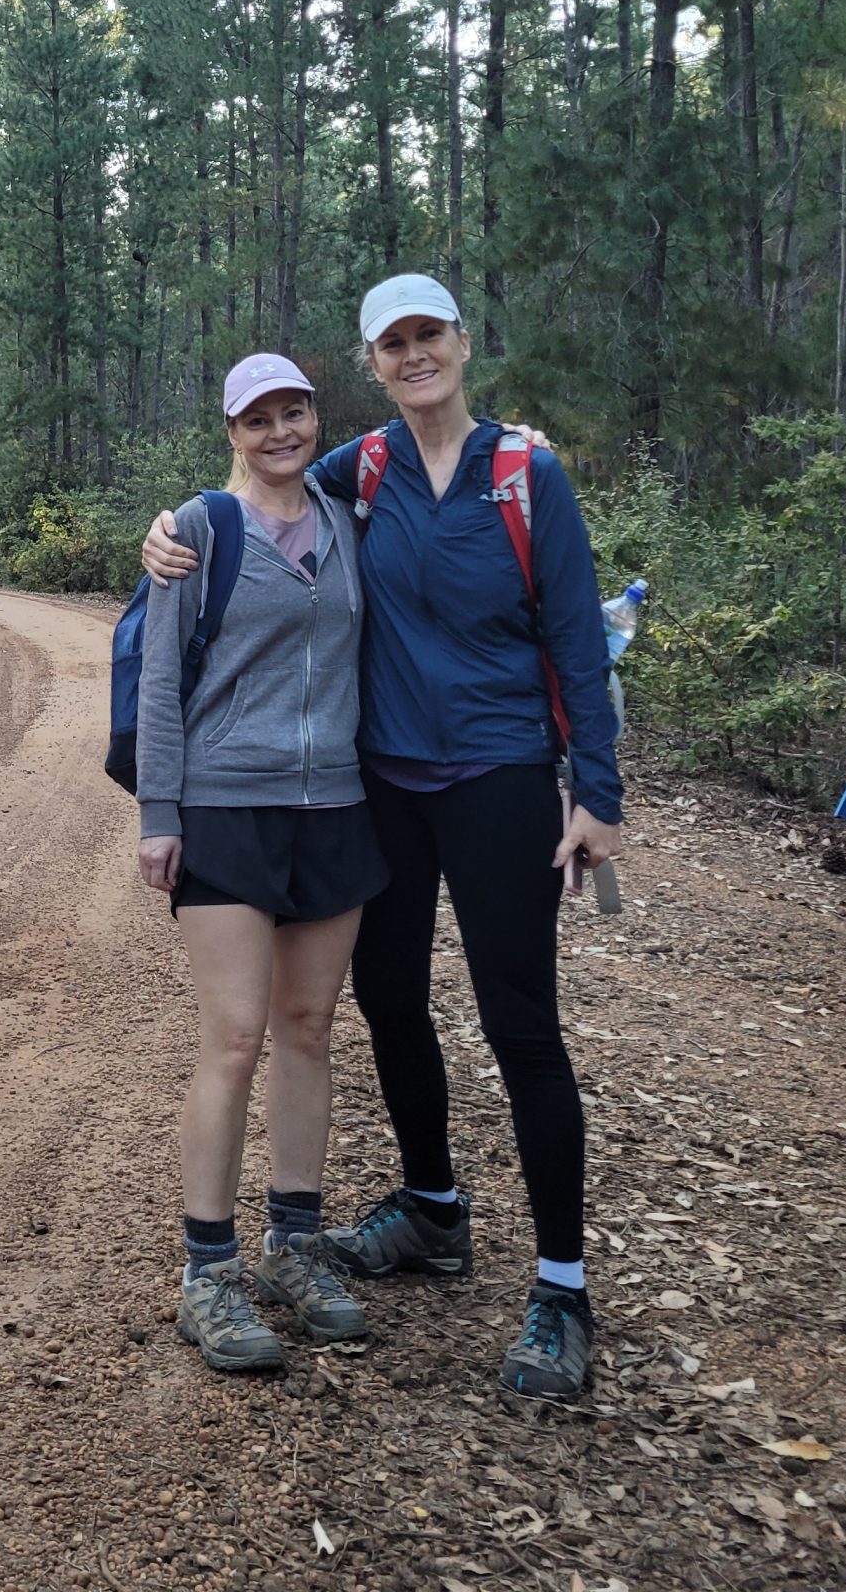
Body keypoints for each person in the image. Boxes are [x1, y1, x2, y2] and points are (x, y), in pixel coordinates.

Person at [141, 277, 623, 1402]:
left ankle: (562, 1287)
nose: (414, 356)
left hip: (502, 778)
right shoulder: (358, 470)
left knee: (520, 1023)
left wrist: (594, 789)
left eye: (429, 337)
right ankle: (434, 1209)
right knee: (389, 1004)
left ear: (461, 342)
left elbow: (578, 637)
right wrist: (164, 529)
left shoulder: (525, 473)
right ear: (374, 359)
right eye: (392, 344)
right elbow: (248, 496)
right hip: (385, 789)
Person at [137, 350, 390, 1378]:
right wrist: (161, 814)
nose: (281, 431)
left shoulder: (346, 517)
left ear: (314, 417)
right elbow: (161, 675)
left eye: (295, 412)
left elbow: (440, 449)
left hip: (335, 803)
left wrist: (526, 446)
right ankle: (209, 1271)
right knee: (236, 1035)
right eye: (259, 418)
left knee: (309, 1027)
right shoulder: (199, 529)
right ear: (231, 429)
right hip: (227, 806)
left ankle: (294, 1243)